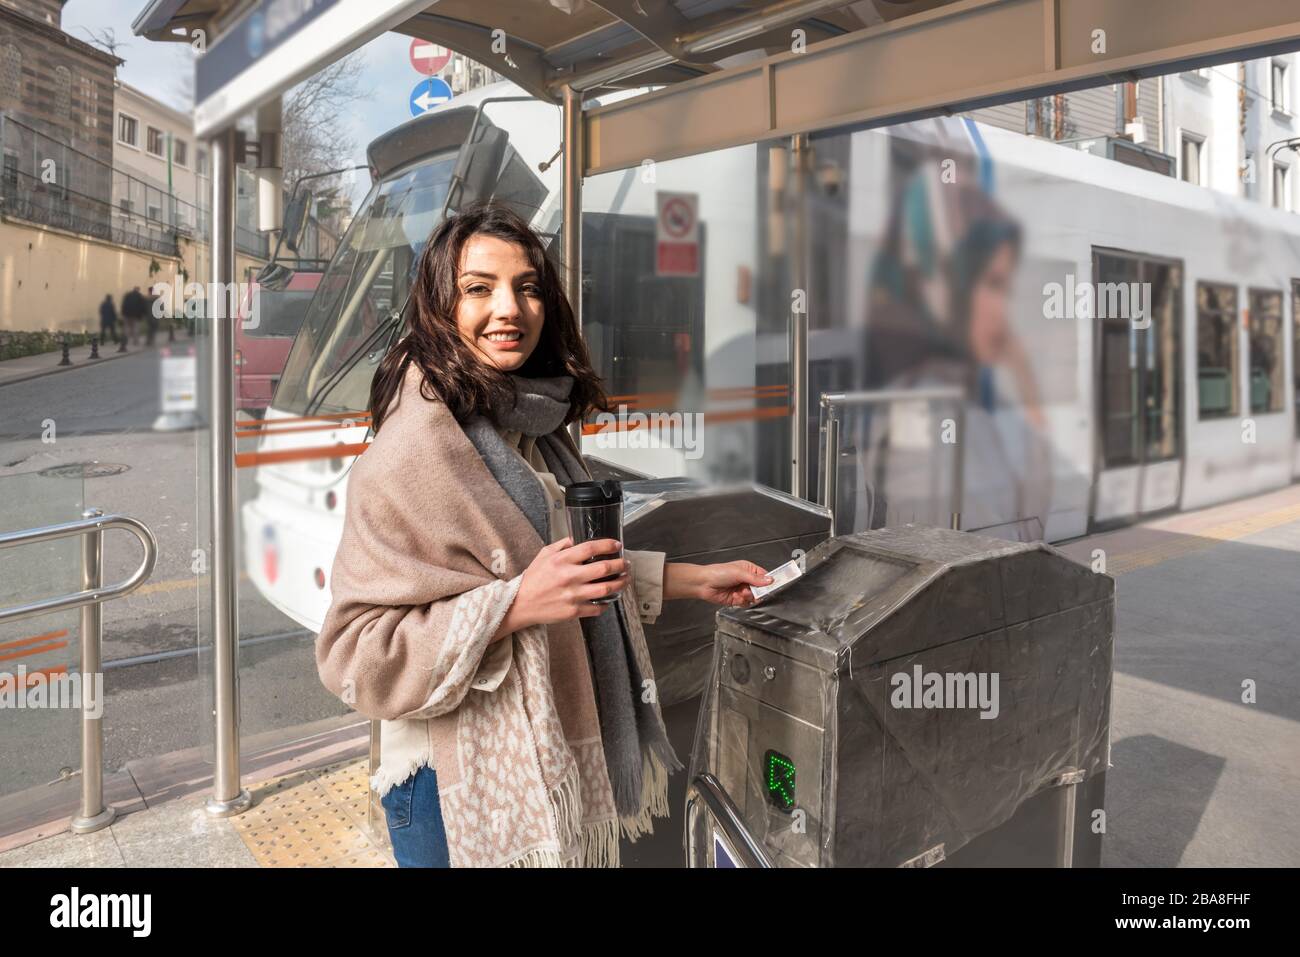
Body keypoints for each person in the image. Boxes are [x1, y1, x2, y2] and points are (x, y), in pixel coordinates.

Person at [314, 202, 772, 868]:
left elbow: (562, 567)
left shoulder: (535, 428)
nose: (510, 308)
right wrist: (514, 606)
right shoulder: (410, 451)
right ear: (440, 307)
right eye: (479, 288)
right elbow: (351, 655)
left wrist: (694, 579)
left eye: (528, 287)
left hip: (545, 751)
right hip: (450, 788)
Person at [853, 162, 1052, 541]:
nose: (1003, 310)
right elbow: (1019, 536)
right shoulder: (930, 408)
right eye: (993, 284)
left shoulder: (948, 396)